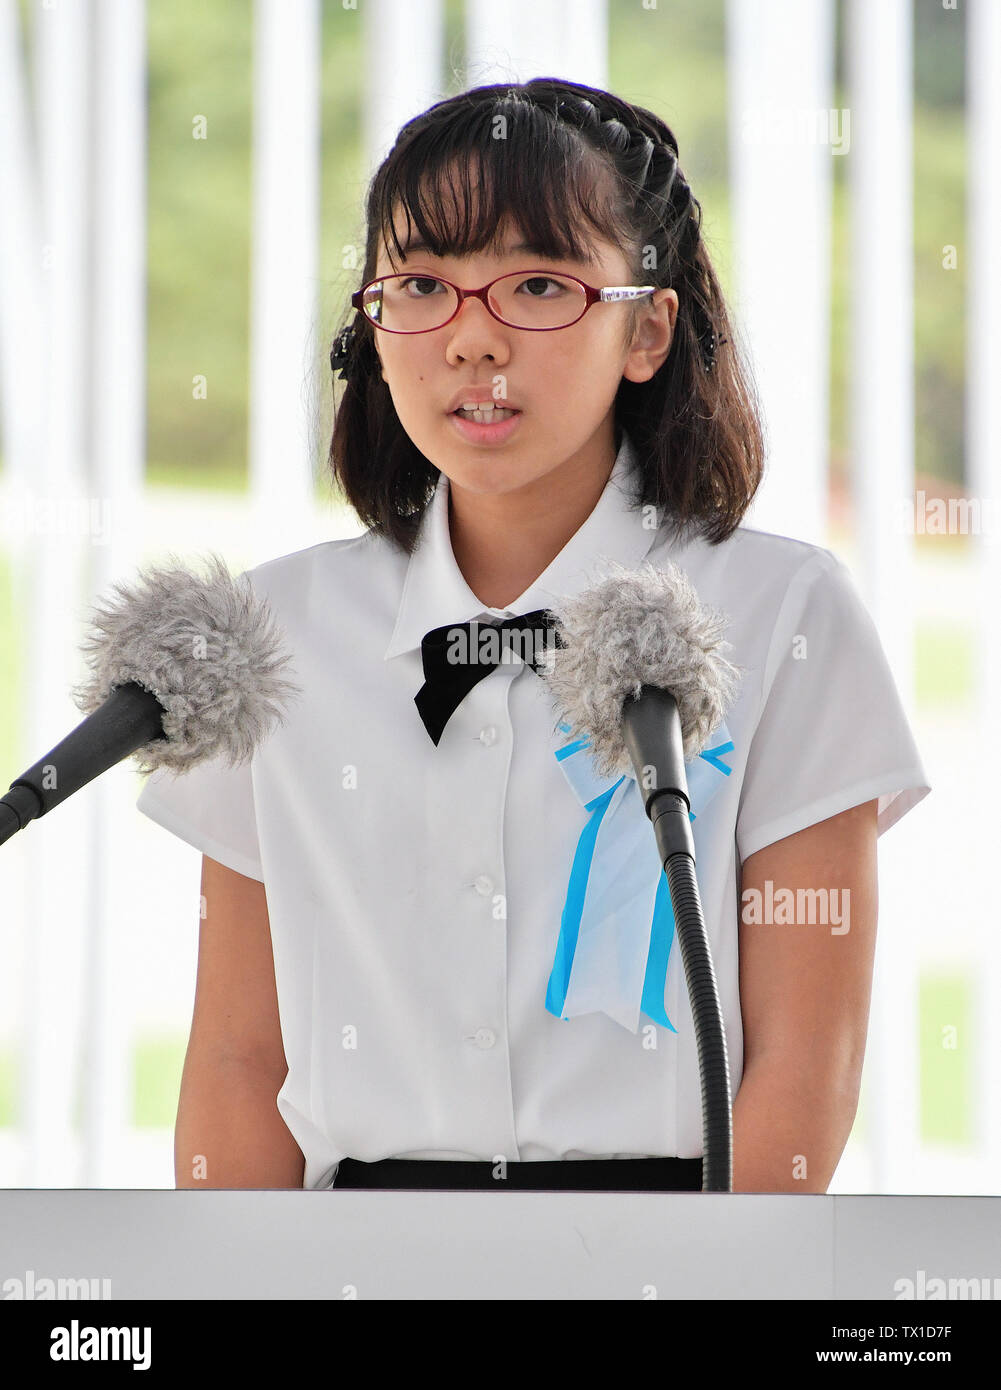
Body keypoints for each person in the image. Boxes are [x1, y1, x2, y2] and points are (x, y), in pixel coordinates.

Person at [136, 78, 931, 1195]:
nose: (470, 341)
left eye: (537, 285)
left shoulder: (783, 613)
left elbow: (804, 1065)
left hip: (673, 1255)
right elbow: (234, 1059)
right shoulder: (272, 637)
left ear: (647, 327)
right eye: (420, 286)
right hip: (343, 1261)